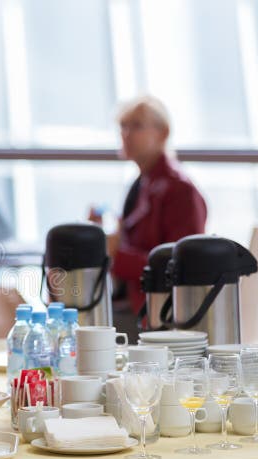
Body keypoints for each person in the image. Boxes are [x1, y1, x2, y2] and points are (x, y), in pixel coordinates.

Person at [91, 95, 207, 316]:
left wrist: (115, 252)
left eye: (136, 126)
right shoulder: (143, 185)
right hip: (139, 301)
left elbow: (179, 266)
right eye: (123, 127)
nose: (126, 135)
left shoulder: (179, 191)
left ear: (162, 133)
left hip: (158, 311)